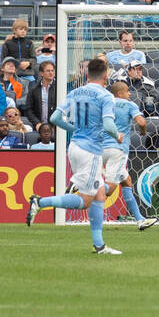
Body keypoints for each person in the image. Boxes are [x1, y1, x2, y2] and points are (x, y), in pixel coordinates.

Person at [27, 57, 123, 255]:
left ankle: (99, 245)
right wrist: (118, 135)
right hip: (91, 151)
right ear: (105, 76)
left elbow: (54, 118)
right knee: (85, 201)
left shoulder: (75, 92)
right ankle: (40, 202)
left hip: (75, 146)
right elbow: (108, 125)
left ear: (87, 74)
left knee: (100, 194)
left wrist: (74, 129)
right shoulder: (106, 96)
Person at [101, 81, 157, 231]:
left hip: (101, 148)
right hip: (118, 150)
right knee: (111, 188)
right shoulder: (129, 105)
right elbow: (141, 121)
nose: (129, 94)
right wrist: (143, 131)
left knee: (127, 182)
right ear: (119, 93)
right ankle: (84, 189)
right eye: (127, 91)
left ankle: (140, 220)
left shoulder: (105, 103)